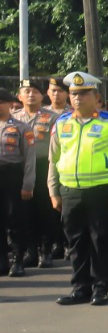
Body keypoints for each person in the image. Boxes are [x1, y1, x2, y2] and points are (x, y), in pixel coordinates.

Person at [46, 71, 108, 306]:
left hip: (101, 190)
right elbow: (54, 159)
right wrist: (53, 191)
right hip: (70, 190)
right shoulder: (62, 123)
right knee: (76, 241)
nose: (78, 98)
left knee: (100, 240)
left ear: (96, 97)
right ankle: (80, 288)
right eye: (74, 94)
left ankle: (101, 287)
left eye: (83, 94)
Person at [16, 78, 61, 267]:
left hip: (44, 167)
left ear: (43, 96)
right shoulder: (14, 118)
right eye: (26, 91)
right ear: (19, 96)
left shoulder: (53, 118)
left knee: (46, 211)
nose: (31, 95)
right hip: (20, 168)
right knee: (24, 212)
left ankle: (46, 250)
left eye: (35, 92)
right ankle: (31, 251)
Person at [0, 89, 38, 278]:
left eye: (2, 102)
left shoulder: (22, 128)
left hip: (13, 174)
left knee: (15, 219)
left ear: (10, 104)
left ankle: (18, 259)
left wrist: (28, 184)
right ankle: (2, 260)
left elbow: (29, 158)